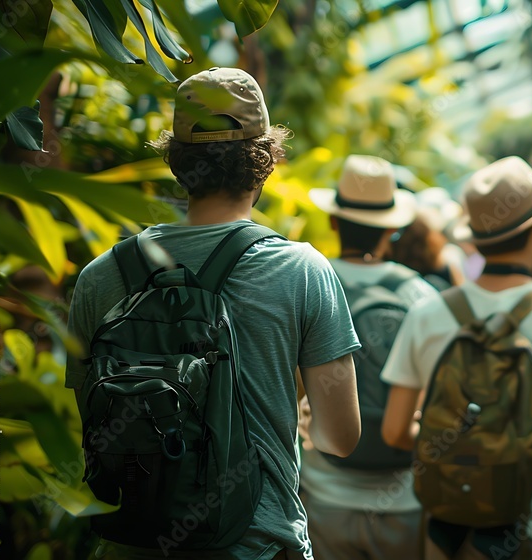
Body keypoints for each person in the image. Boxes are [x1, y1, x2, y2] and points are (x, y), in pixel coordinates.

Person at [66, 67, 361, 560]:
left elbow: (94, 417)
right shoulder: (301, 271)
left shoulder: (101, 275)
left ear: (178, 162)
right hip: (256, 543)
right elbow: (340, 439)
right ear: (265, 161)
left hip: (129, 544)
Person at [380, 156, 532, 559]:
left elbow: (396, 432)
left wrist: (463, 447)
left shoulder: (427, 314)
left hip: (450, 529)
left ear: (475, 239)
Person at [299, 154, 435, 560]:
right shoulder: (423, 297)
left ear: (334, 221)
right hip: (403, 495)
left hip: (323, 491)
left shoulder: (306, 286)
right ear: (392, 229)